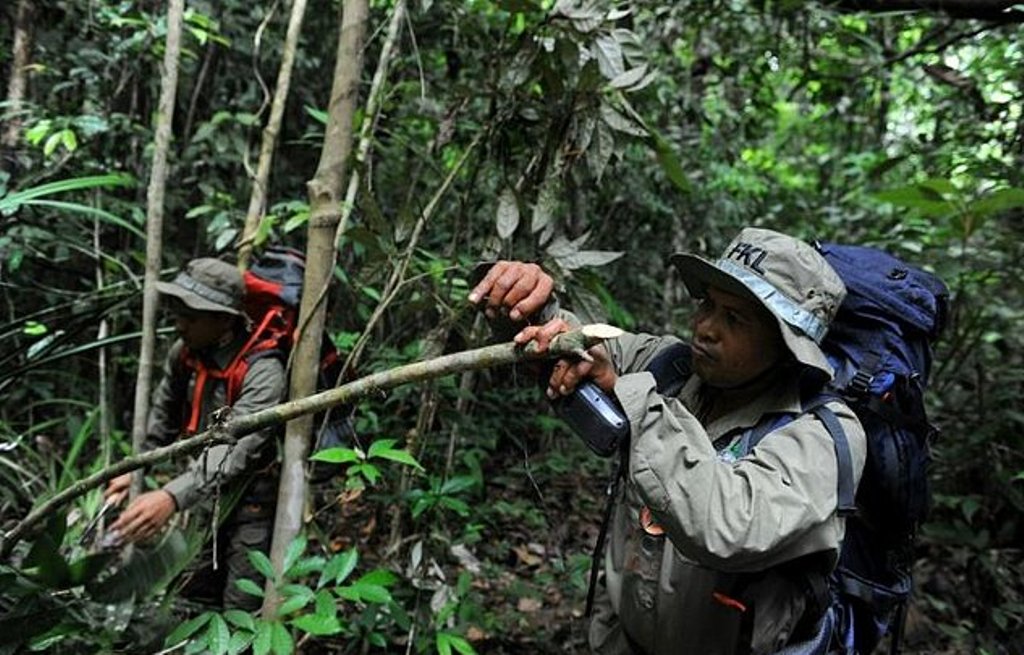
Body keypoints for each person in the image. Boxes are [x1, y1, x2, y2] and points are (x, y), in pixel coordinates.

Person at [468, 227, 868, 654]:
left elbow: (728, 524)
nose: (705, 328)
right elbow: (569, 344)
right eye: (708, 304)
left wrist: (628, 392)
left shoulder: (822, 433)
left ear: (786, 346)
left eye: (735, 318)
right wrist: (524, 299)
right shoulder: (668, 366)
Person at [104, 257, 287, 610]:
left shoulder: (264, 371)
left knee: (241, 605)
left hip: (252, 502)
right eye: (178, 313)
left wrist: (171, 497)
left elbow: (238, 447)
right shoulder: (185, 353)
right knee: (190, 596)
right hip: (202, 496)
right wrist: (135, 467)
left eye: (191, 316)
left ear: (224, 321)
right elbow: (163, 412)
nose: (180, 324)